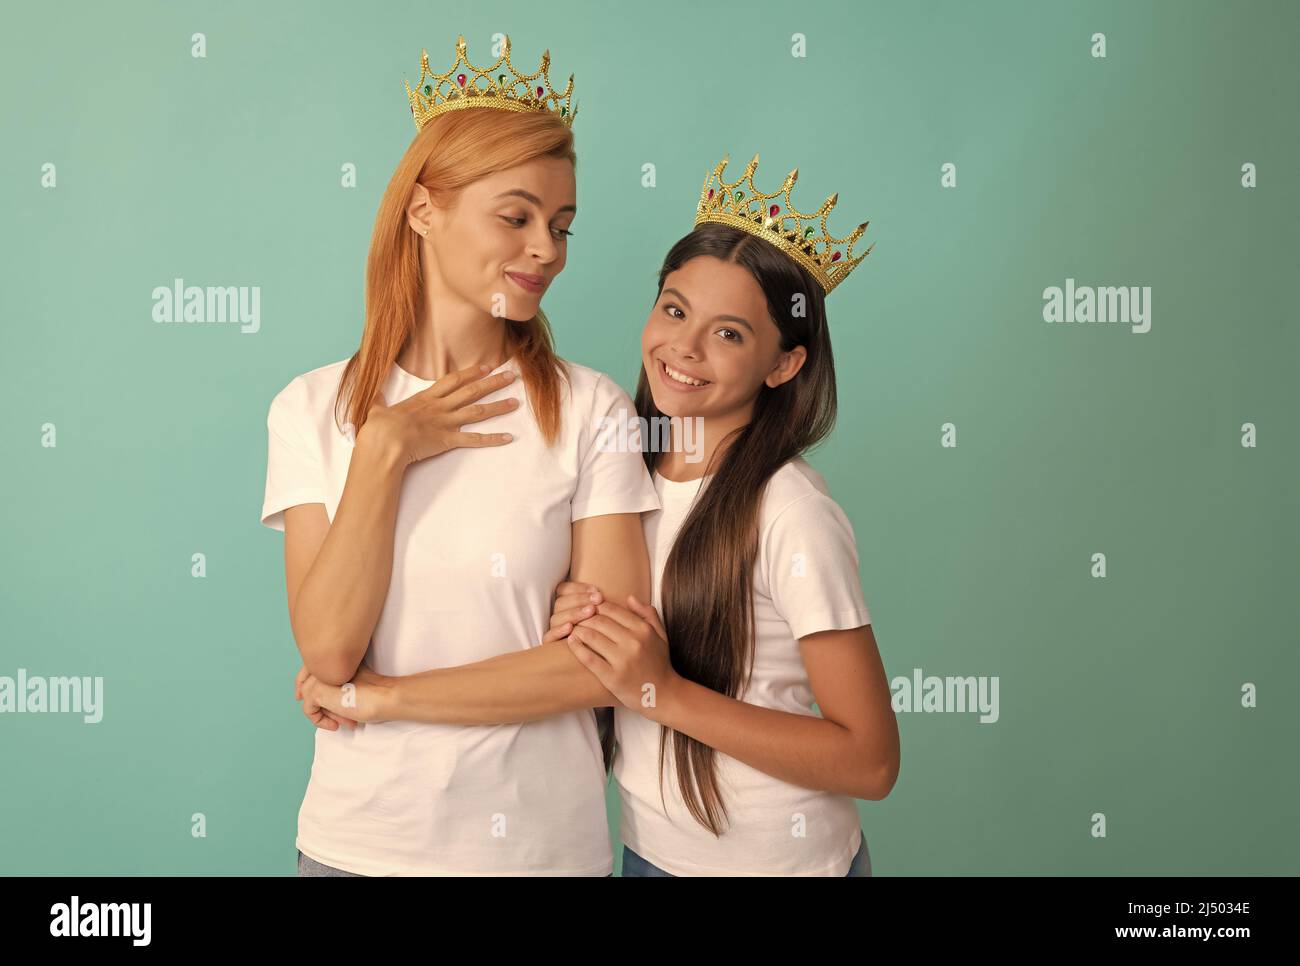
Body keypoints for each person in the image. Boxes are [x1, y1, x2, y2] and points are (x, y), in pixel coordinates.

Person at [300, 153, 900, 876]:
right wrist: (559, 597)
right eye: (675, 310)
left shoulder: (790, 511)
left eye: (731, 334)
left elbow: (870, 761)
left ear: (784, 365)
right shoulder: (633, 466)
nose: (685, 346)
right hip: (652, 853)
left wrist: (661, 688)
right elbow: (592, 632)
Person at [261, 35, 658, 876]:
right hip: (360, 845)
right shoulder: (311, 409)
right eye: (515, 217)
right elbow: (328, 653)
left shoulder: (591, 410)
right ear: (423, 210)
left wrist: (387, 698)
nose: (547, 249)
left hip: (544, 852)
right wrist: (384, 450)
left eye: (560, 225)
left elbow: (603, 669)